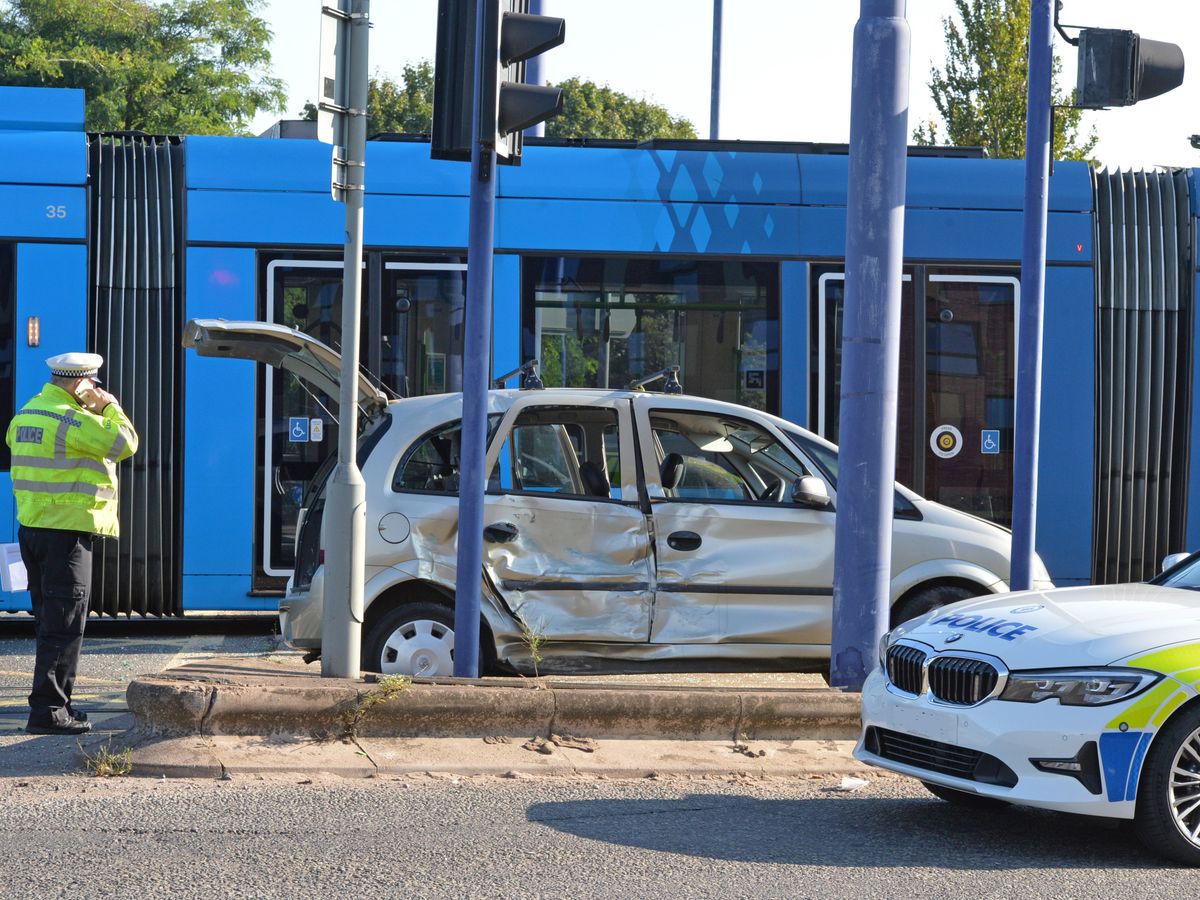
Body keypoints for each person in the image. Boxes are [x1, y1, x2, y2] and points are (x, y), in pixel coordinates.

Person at [5, 352, 139, 735]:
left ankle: (56, 704)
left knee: (49, 622)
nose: (97, 390)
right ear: (81, 384)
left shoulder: (28, 413)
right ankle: (49, 711)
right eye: (93, 384)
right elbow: (126, 442)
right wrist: (109, 406)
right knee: (64, 626)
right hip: (66, 536)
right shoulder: (73, 420)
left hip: (33, 530)